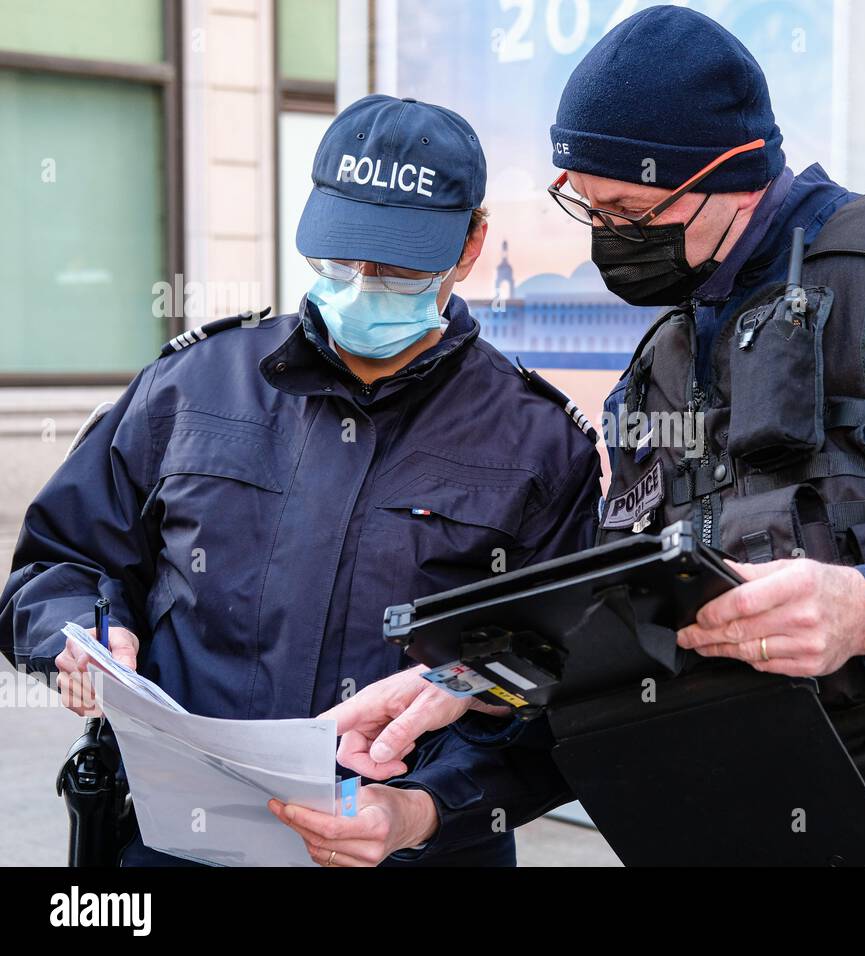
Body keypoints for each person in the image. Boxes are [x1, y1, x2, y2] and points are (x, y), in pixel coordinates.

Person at [325, 6, 865, 865]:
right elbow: (623, 639)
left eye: (632, 212)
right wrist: (467, 684)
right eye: (586, 209)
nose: (609, 241)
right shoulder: (662, 366)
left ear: (737, 169)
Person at [0, 94, 598, 867]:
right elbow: (58, 564)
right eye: (340, 256)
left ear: (472, 243)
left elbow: (560, 689)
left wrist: (420, 811)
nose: (361, 282)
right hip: (175, 850)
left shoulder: (539, 444)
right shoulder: (191, 385)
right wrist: (77, 638)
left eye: (396, 264)